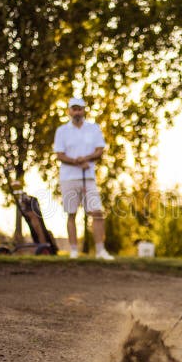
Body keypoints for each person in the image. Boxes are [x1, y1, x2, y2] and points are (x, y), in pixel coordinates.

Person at [53, 97, 114, 260]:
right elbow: (59, 154)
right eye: (74, 109)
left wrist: (85, 159)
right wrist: (76, 161)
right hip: (68, 178)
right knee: (71, 213)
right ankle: (73, 250)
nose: (77, 112)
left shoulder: (93, 129)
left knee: (97, 212)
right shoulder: (62, 131)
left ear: (84, 110)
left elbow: (99, 150)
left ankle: (100, 250)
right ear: (69, 111)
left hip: (88, 177)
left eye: (79, 109)